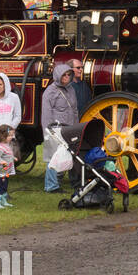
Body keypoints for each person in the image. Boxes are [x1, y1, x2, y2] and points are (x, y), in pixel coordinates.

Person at [41, 62, 80, 193]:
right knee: (53, 157)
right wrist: (48, 131)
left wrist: (76, 127)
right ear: (58, 75)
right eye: (64, 75)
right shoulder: (50, 92)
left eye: (69, 74)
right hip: (56, 129)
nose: (66, 77)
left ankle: (63, 182)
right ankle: (51, 186)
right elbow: (46, 114)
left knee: (69, 155)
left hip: (70, 128)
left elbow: (74, 110)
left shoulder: (71, 89)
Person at [0, 125, 17, 208]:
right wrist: (1, 161)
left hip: (6, 171)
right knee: (0, 186)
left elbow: (7, 155)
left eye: (12, 135)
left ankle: (3, 200)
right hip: (1, 171)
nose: (11, 137)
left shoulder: (7, 145)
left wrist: (13, 158)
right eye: (9, 136)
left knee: (5, 185)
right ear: (2, 136)